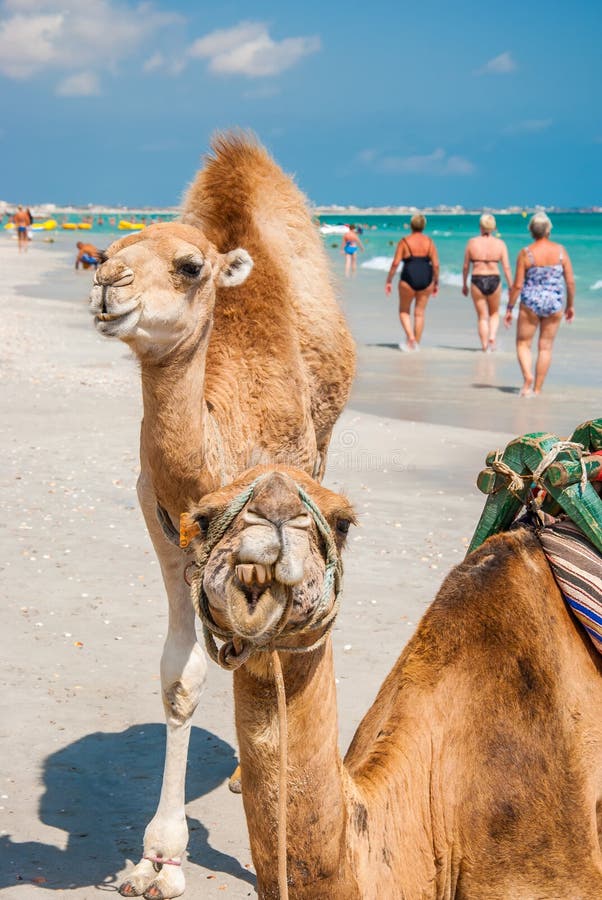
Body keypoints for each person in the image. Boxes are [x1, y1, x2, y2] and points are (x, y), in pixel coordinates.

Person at [504, 212, 575, 397]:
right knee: (545, 347)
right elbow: (570, 282)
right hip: (554, 301)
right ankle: (537, 389)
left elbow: (518, 285)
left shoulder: (526, 253)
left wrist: (510, 308)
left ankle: (528, 378)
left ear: (531, 231)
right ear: (548, 231)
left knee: (523, 343)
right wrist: (570, 305)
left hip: (531, 301)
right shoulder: (561, 251)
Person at [385, 213, 439, 351]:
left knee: (404, 311)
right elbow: (436, 265)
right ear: (424, 226)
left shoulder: (404, 241)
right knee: (419, 313)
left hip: (408, 277)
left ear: (411, 225)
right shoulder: (430, 242)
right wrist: (436, 282)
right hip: (426, 278)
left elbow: (395, 263)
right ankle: (415, 345)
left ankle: (410, 337)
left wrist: (389, 280)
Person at [462, 213, 512, 352]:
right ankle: (492, 337)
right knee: (494, 313)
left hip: (477, 278)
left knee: (482, 317)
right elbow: (506, 267)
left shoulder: (472, 242)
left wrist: (464, 284)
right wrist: (511, 286)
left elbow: (466, 266)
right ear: (494, 228)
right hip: (494, 279)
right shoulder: (500, 244)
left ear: (480, 226)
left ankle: (484, 346)